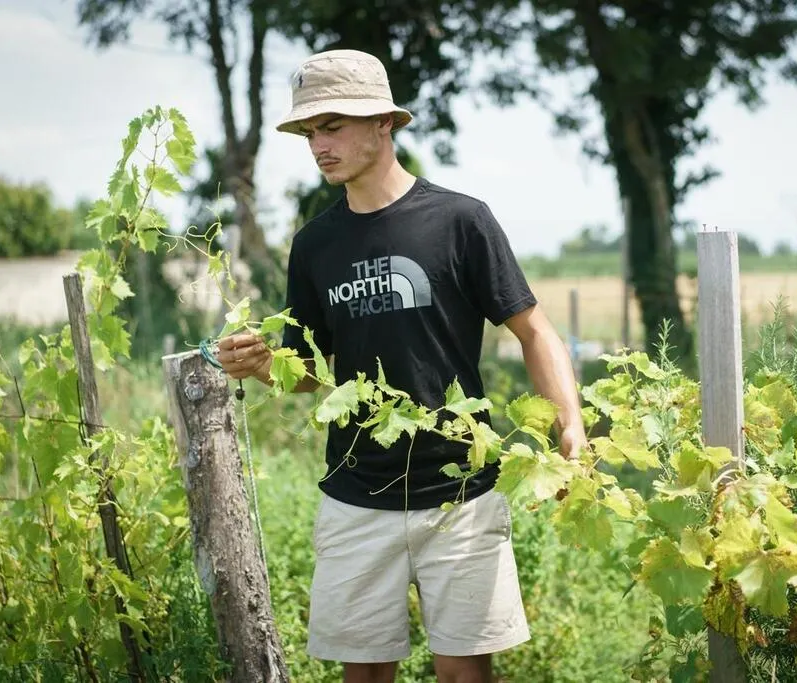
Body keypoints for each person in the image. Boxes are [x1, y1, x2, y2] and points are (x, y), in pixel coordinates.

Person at [216, 49, 586, 683]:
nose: (318, 145)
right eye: (309, 132)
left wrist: (570, 427)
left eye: (332, 126)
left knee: (463, 675)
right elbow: (309, 374)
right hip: (356, 497)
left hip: (461, 495)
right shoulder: (314, 245)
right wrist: (262, 364)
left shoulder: (460, 221)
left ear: (383, 122)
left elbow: (535, 330)